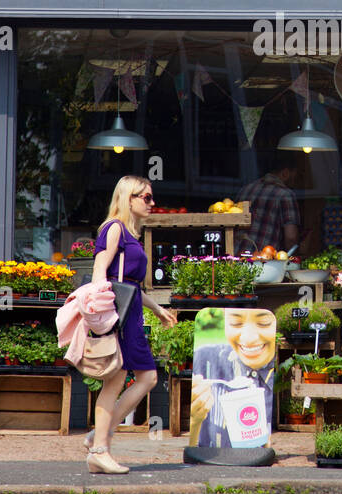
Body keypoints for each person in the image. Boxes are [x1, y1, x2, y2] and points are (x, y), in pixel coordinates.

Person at [84, 174, 177, 474]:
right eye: (146, 197)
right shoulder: (114, 229)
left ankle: (99, 437)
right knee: (116, 379)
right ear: (128, 198)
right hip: (119, 314)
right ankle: (100, 448)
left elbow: (132, 285)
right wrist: (102, 311)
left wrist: (158, 309)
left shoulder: (130, 234)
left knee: (146, 377)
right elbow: (100, 268)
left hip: (131, 311)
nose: (152, 203)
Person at [189, 307, 277, 448]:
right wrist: (194, 422)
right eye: (235, 323)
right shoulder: (206, 361)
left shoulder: (279, 374)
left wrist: (264, 449)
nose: (249, 338)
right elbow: (195, 449)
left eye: (264, 323)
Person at [236, 162, 300, 254]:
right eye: (294, 177)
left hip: (235, 257)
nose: (295, 182)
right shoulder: (285, 195)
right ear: (285, 173)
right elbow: (291, 238)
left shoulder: (246, 189)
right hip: (262, 261)